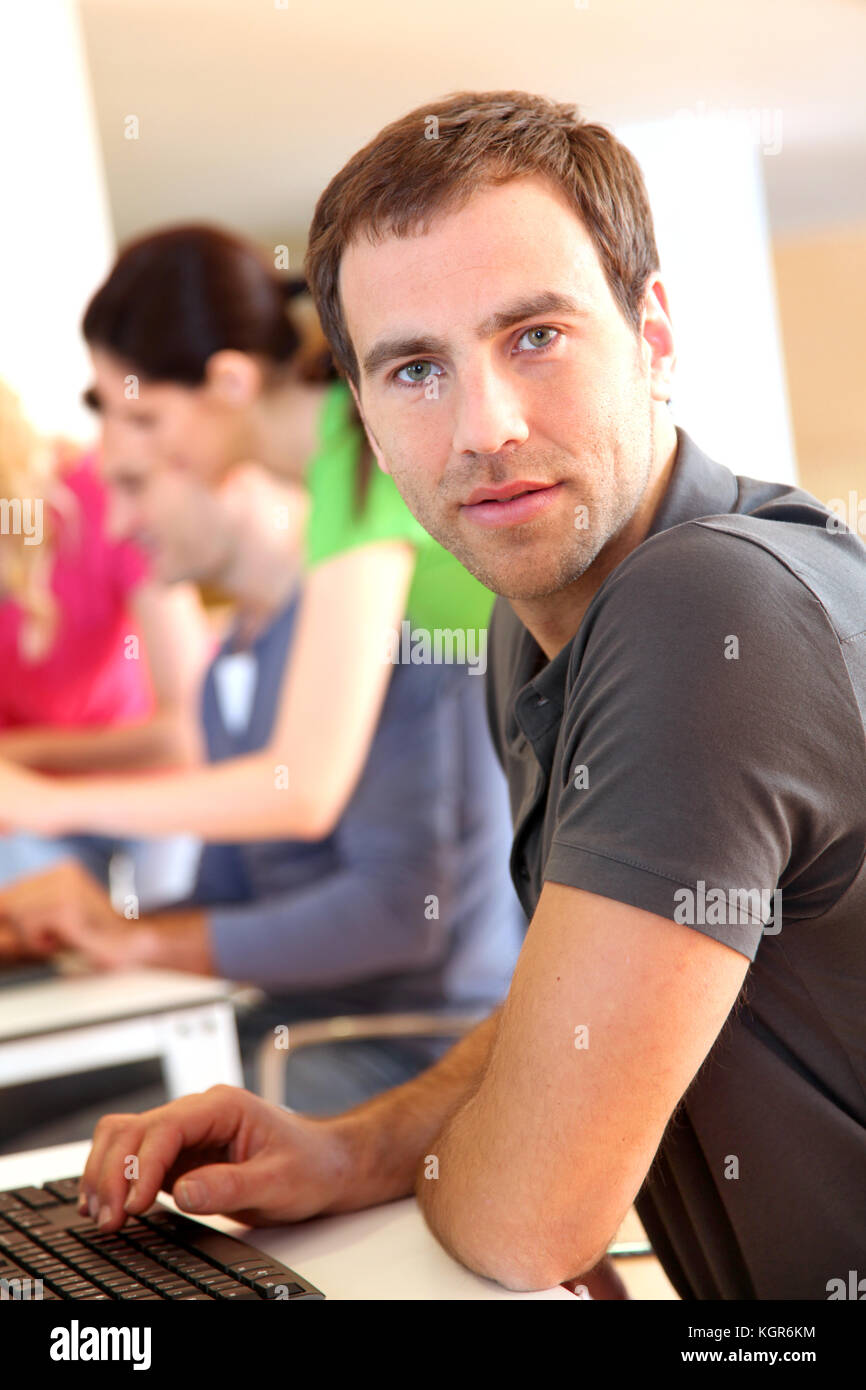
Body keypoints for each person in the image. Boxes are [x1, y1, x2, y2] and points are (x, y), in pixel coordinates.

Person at [64, 91, 865, 1301]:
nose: (483, 428)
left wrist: (478, 1168)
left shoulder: (705, 605)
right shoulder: (533, 623)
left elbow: (524, 1224)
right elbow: (574, 990)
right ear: (368, 423)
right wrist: (350, 1151)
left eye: (533, 335)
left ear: (652, 334)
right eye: (416, 368)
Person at [0, 443, 522, 1144]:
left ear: (232, 458)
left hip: (407, 1052)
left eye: (136, 482)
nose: (118, 524)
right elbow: (229, 893)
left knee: (55, 1156)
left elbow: (397, 918)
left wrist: (140, 940)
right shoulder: (227, 669)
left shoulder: (403, 637)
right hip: (281, 1024)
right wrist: (92, 927)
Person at [0, 227, 498, 857]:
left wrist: (45, 802)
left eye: (145, 418)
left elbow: (302, 790)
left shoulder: (356, 453)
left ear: (231, 384)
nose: (134, 450)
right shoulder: (332, 467)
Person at [0, 379, 209, 898]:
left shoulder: (107, 499)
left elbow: (189, 732)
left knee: (175, 910)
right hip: (35, 818)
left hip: (157, 793)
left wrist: (19, 753)